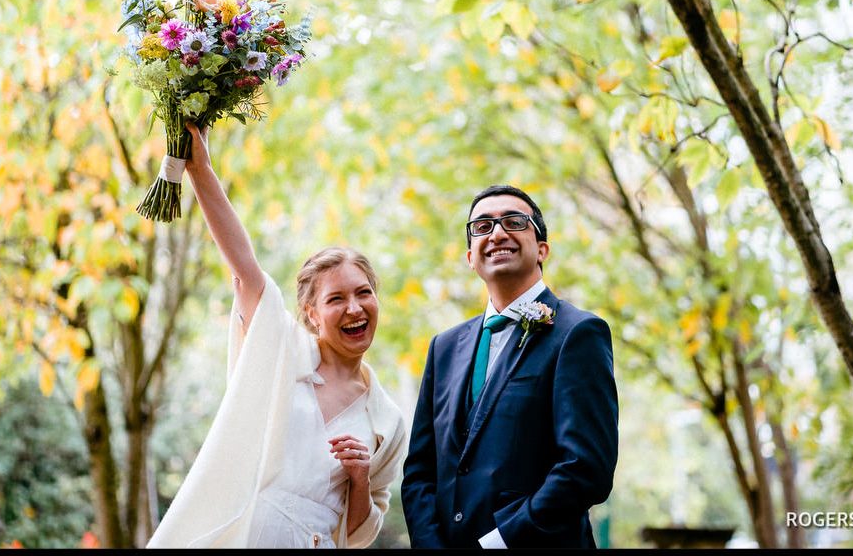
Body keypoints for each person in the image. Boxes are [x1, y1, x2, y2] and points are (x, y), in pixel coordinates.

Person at [147, 125, 408, 549]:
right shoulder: (283, 351)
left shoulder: (387, 421)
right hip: (240, 532)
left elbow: (360, 534)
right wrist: (201, 170)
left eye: (364, 293)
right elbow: (246, 269)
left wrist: (360, 479)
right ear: (311, 314)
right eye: (336, 299)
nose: (355, 308)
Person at [401, 184, 618, 548]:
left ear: (542, 250)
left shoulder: (578, 334)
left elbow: (585, 468)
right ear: (470, 256)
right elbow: (420, 471)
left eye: (514, 221)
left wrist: (498, 542)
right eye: (482, 226)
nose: (497, 232)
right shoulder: (444, 347)